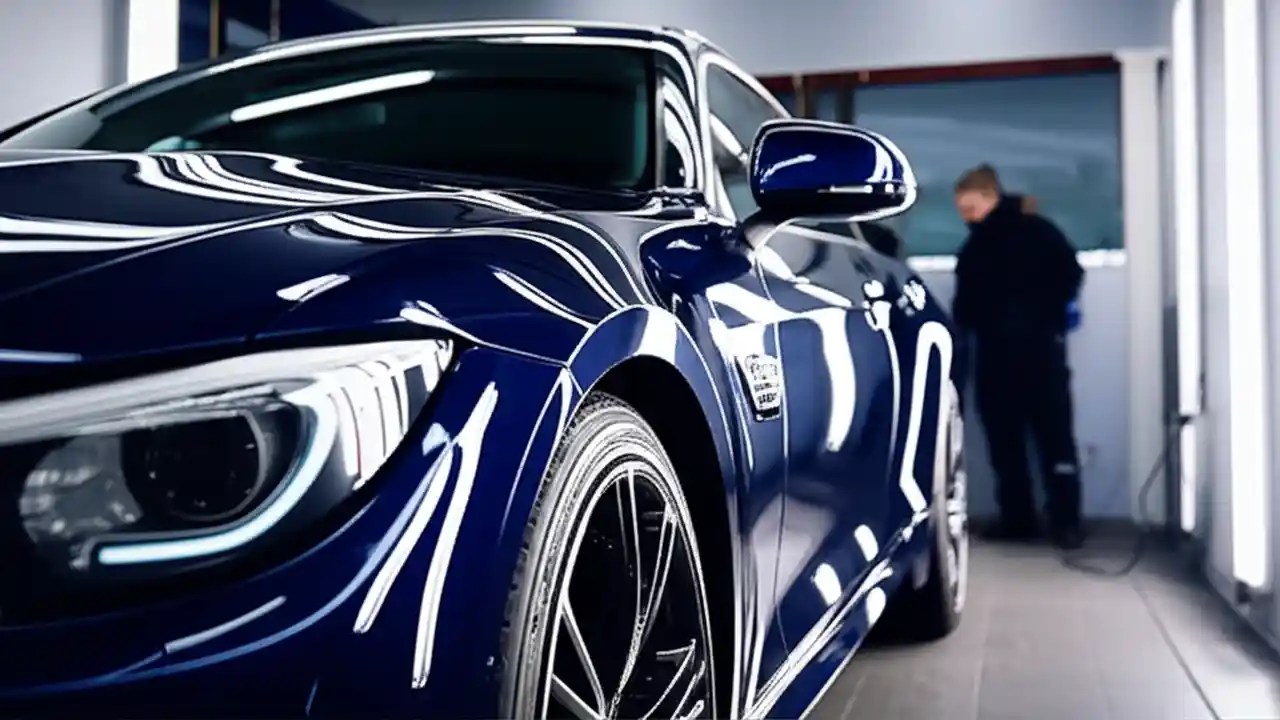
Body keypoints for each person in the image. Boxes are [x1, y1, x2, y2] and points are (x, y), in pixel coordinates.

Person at [951, 164, 1086, 549]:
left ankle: (1019, 519)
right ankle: (1066, 523)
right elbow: (1070, 275)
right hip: (1043, 350)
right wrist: (1050, 314)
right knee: (1055, 440)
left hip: (997, 355)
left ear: (990, 197)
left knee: (1006, 443)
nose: (967, 217)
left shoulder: (978, 246)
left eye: (970, 207)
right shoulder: (1039, 231)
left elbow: (966, 306)